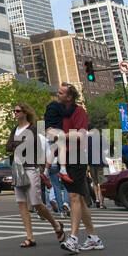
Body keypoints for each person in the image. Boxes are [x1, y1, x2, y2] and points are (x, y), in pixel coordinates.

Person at [8, 103, 64, 247]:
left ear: (25, 113)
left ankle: (56, 224)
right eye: (14, 111)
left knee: (36, 202)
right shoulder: (15, 129)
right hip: (18, 168)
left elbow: (35, 149)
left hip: (30, 167)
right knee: (21, 203)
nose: (15, 113)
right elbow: (8, 146)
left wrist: (18, 145)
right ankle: (30, 236)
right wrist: (21, 143)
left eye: (18, 111)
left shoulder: (33, 129)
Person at [59, 85, 103, 253]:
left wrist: (60, 135)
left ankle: (73, 238)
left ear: (70, 97)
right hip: (65, 157)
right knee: (81, 199)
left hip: (77, 155)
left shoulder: (79, 112)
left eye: (61, 93)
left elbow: (81, 133)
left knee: (74, 196)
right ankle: (93, 237)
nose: (57, 95)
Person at [42, 86, 75, 216]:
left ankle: (45, 170)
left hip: (48, 131)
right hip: (55, 131)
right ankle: (63, 168)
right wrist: (73, 108)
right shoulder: (58, 106)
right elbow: (66, 114)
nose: (58, 94)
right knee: (60, 144)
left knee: (54, 148)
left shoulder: (49, 107)